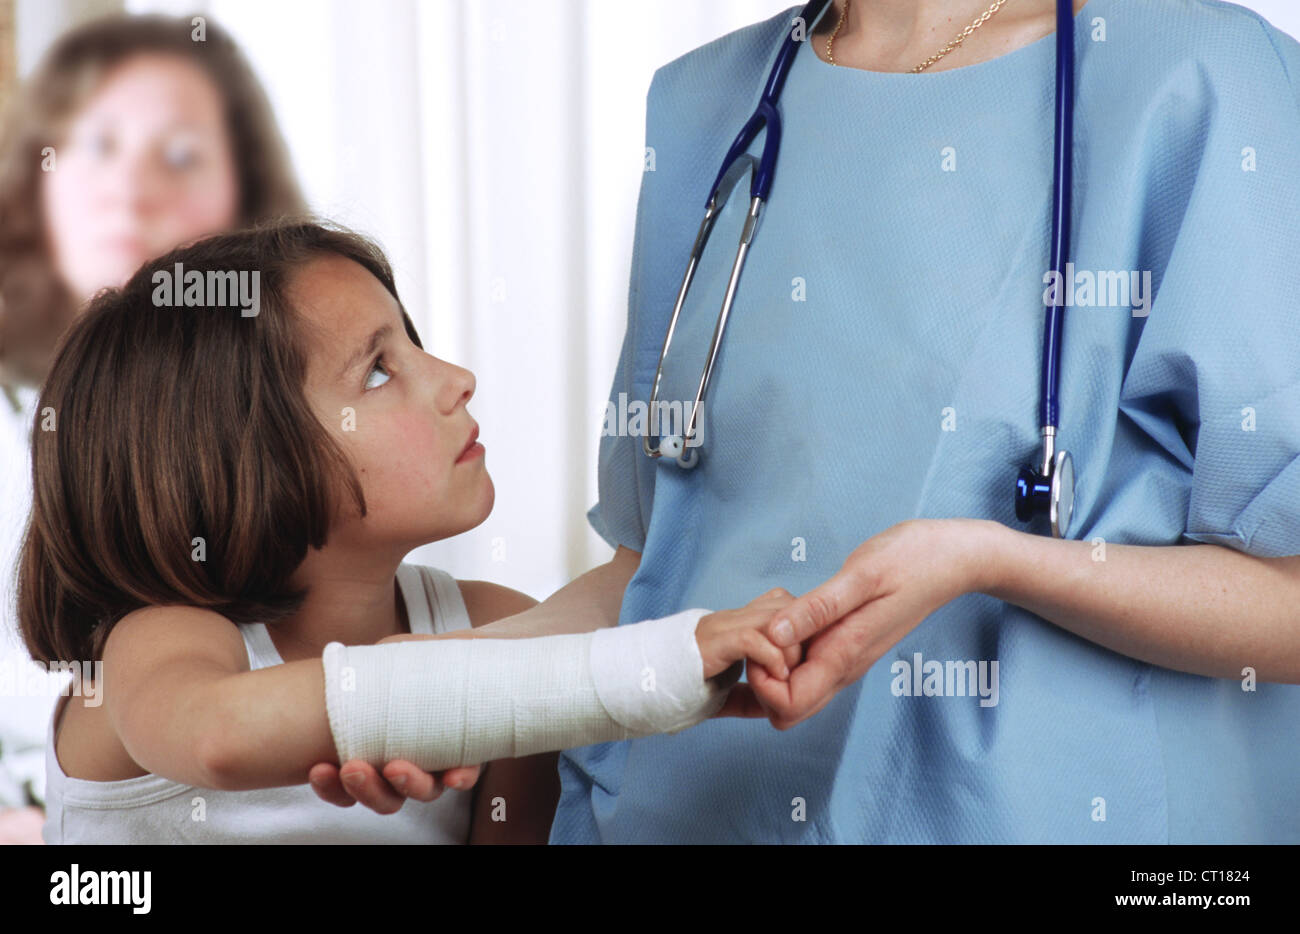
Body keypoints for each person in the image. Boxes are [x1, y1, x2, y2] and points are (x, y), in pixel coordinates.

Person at [319, 0, 1300, 843]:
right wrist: (446, 690)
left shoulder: (1201, 79)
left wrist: (992, 559)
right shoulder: (708, 104)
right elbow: (648, 569)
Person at [21, 220, 793, 844]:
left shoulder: (487, 625)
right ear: (236, 459)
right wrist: (423, 699)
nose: (456, 378)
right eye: (381, 372)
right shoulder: (162, 644)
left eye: (412, 344)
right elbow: (219, 733)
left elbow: (583, 627)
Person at [0, 13, 308, 841]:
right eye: (97, 147)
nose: (131, 188)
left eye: (179, 154)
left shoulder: (330, 425)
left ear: (244, 189)